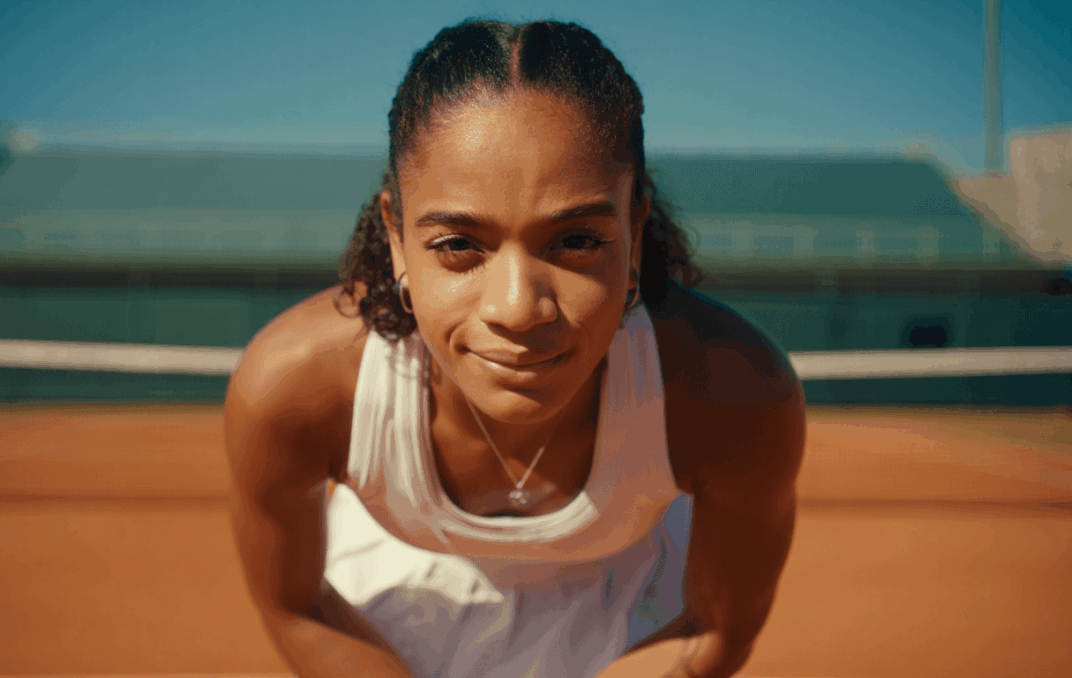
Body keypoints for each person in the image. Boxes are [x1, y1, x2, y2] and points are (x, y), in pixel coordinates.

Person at [225, 19, 805, 678]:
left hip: (636, 617)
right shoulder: (295, 387)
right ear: (395, 236)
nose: (517, 309)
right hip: (396, 614)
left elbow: (711, 628)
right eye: (458, 245)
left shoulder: (734, 393)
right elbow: (296, 603)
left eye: (576, 240)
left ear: (635, 226)